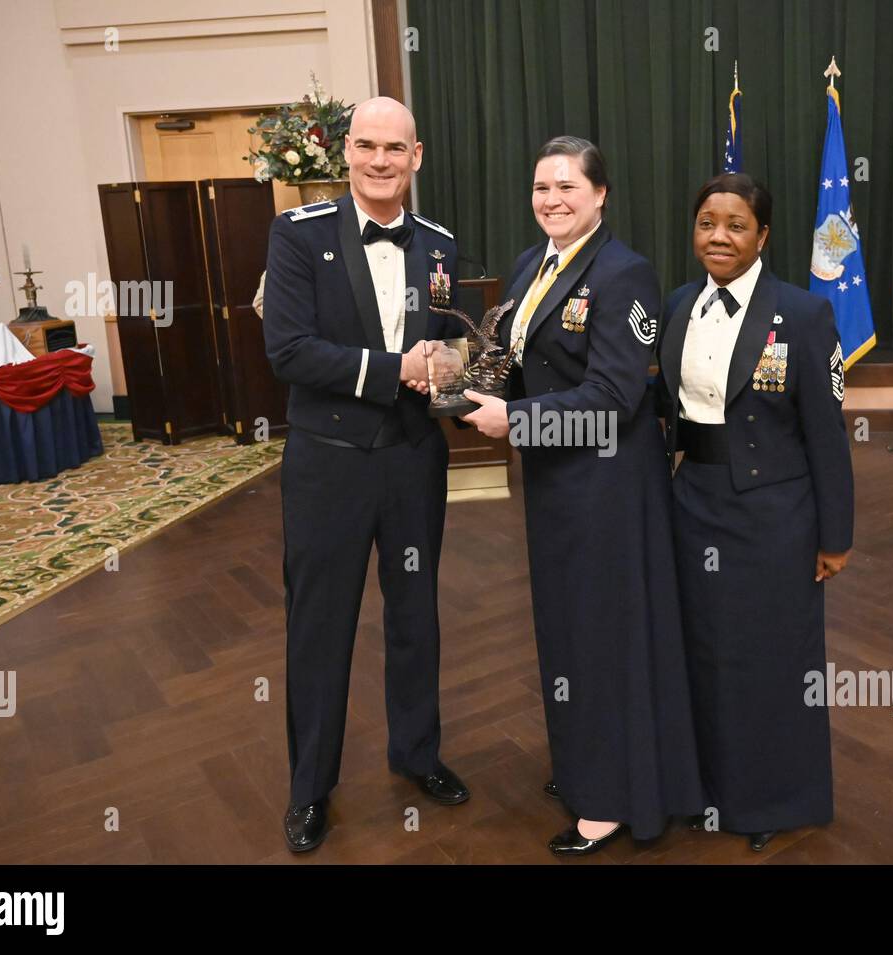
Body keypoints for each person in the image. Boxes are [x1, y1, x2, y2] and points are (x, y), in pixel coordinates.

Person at [462, 136, 703, 855]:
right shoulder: (531, 263)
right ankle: (585, 766)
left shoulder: (626, 273)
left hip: (609, 486)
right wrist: (458, 378)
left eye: (567, 186)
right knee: (568, 631)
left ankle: (611, 800)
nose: (552, 199)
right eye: (541, 187)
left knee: (604, 638)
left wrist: (516, 420)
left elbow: (616, 395)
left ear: (601, 195)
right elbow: (515, 360)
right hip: (555, 483)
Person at [262, 96, 470, 853]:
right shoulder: (296, 235)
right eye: (367, 146)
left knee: (417, 619)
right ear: (345, 152)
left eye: (396, 148)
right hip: (330, 468)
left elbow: (446, 338)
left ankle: (417, 754)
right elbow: (287, 350)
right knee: (321, 629)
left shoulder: (440, 245)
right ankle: (310, 787)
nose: (381, 160)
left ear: (417, 157)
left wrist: (451, 362)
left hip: (415, 462)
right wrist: (395, 369)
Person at [657, 173, 854, 851]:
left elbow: (828, 434)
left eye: (736, 224)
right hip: (694, 501)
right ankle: (707, 788)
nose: (718, 235)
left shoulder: (802, 314)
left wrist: (836, 535)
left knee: (772, 658)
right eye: (707, 221)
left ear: (763, 236)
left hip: (775, 514)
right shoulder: (678, 305)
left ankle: (775, 796)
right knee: (705, 653)